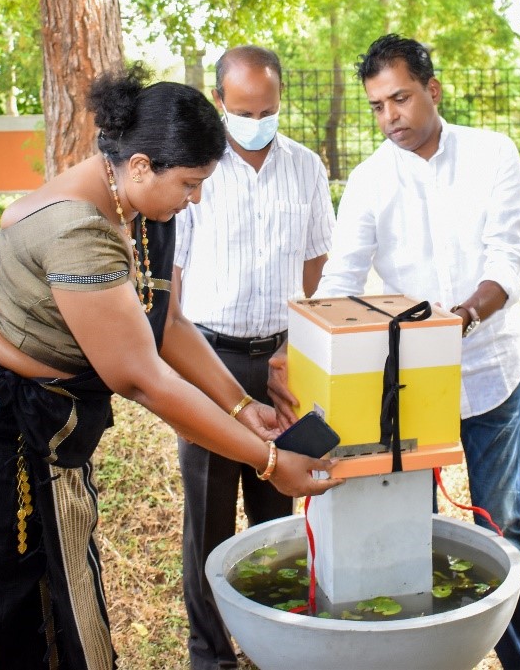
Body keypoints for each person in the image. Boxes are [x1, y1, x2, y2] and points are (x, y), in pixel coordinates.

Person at [0, 68, 341, 670]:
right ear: (140, 165)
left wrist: (246, 409)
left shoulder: (140, 209)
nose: (194, 200)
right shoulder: (78, 231)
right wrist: (267, 460)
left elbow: (166, 326)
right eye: (190, 185)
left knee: (64, 581)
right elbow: (140, 377)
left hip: (48, 410)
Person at [310, 34, 520, 670]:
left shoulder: (493, 155)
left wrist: (462, 318)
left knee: (505, 525)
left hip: (490, 370)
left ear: (432, 91)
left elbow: (508, 258)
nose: (391, 118)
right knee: (406, 533)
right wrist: (307, 347)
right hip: (406, 384)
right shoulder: (369, 180)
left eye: (401, 99)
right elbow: (342, 279)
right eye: (378, 106)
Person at [173, 46, 334, 670]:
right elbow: (175, 276)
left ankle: (276, 646)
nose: (257, 120)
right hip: (211, 359)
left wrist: (300, 338)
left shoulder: (306, 168)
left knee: (278, 515)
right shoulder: (196, 172)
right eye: (243, 110)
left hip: (285, 362)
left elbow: (320, 256)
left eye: (268, 109)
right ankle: (210, 655)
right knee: (209, 517)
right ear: (220, 103)